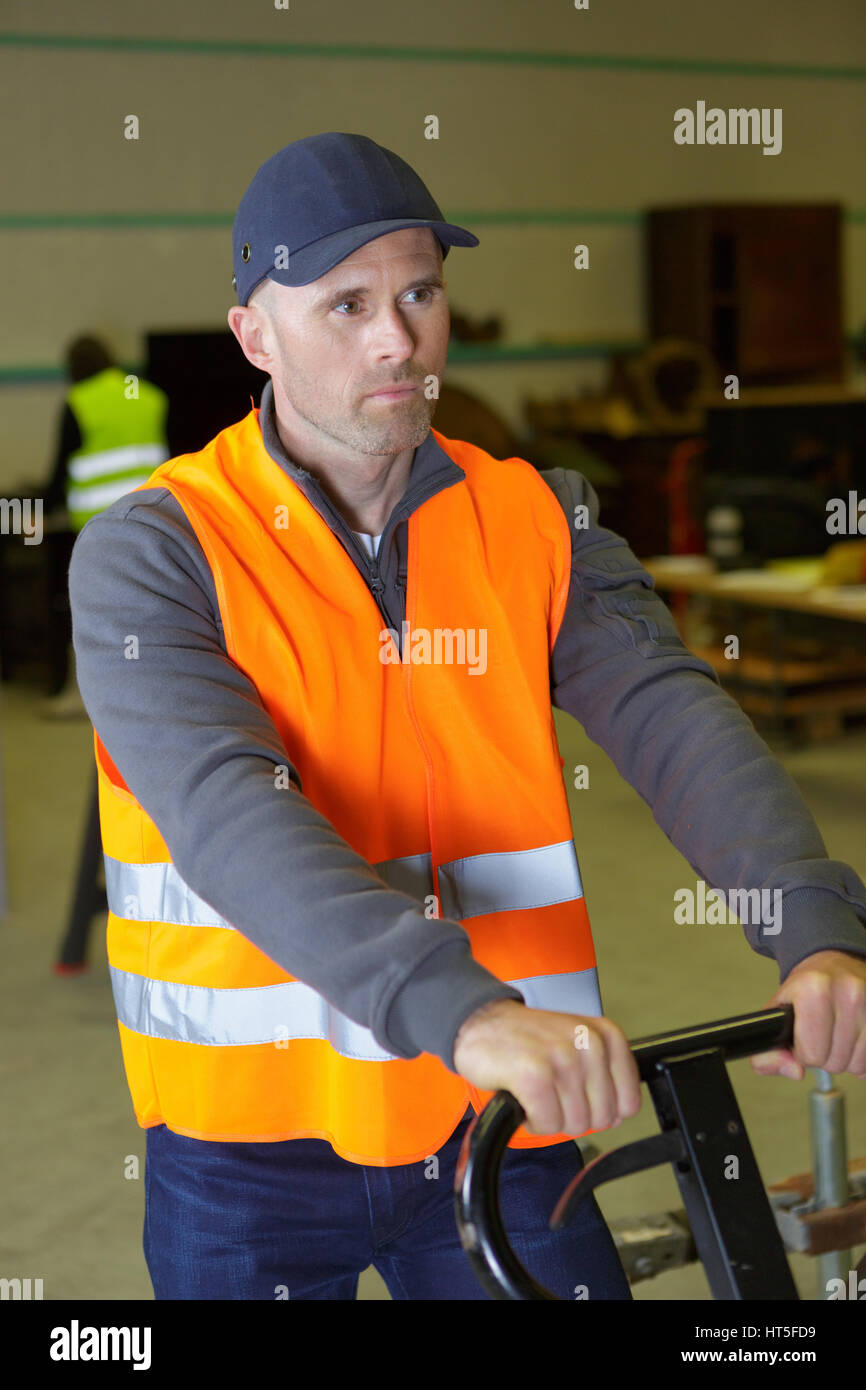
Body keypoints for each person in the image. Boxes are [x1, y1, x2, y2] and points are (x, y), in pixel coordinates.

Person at [68, 132, 866, 1302]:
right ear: (255, 335)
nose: (396, 338)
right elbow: (226, 809)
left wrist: (807, 917)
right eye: (344, 303)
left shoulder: (536, 519)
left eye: (419, 293)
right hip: (251, 1154)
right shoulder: (156, 552)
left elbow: (668, 712)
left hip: (500, 1120)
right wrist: (465, 1011)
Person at [40, 335, 169, 718]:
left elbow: (61, 469)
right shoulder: (150, 397)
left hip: (94, 528)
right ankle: (153, 689)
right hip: (151, 521)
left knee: (83, 608)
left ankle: (78, 694)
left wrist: (39, 505)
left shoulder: (79, 401)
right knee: (148, 607)